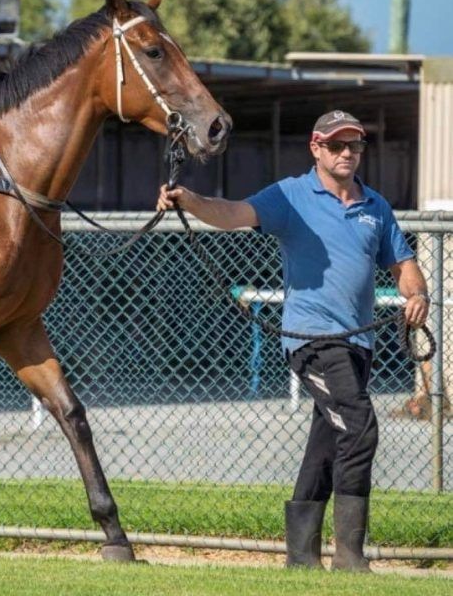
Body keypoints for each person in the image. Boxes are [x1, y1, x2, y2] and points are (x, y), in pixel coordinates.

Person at [157, 110, 430, 571]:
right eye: (337, 145)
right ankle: (350, 557)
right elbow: (234, 213)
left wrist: (417, 294)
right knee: (360, 427)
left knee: (326, 445)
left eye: (355, 145)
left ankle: (301, 558)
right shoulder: (291, 195)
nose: (347, 153)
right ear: (316, 148)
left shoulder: (376, 207)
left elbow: (403, 264)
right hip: (312, 339)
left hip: (358, 343)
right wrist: (190, 199)